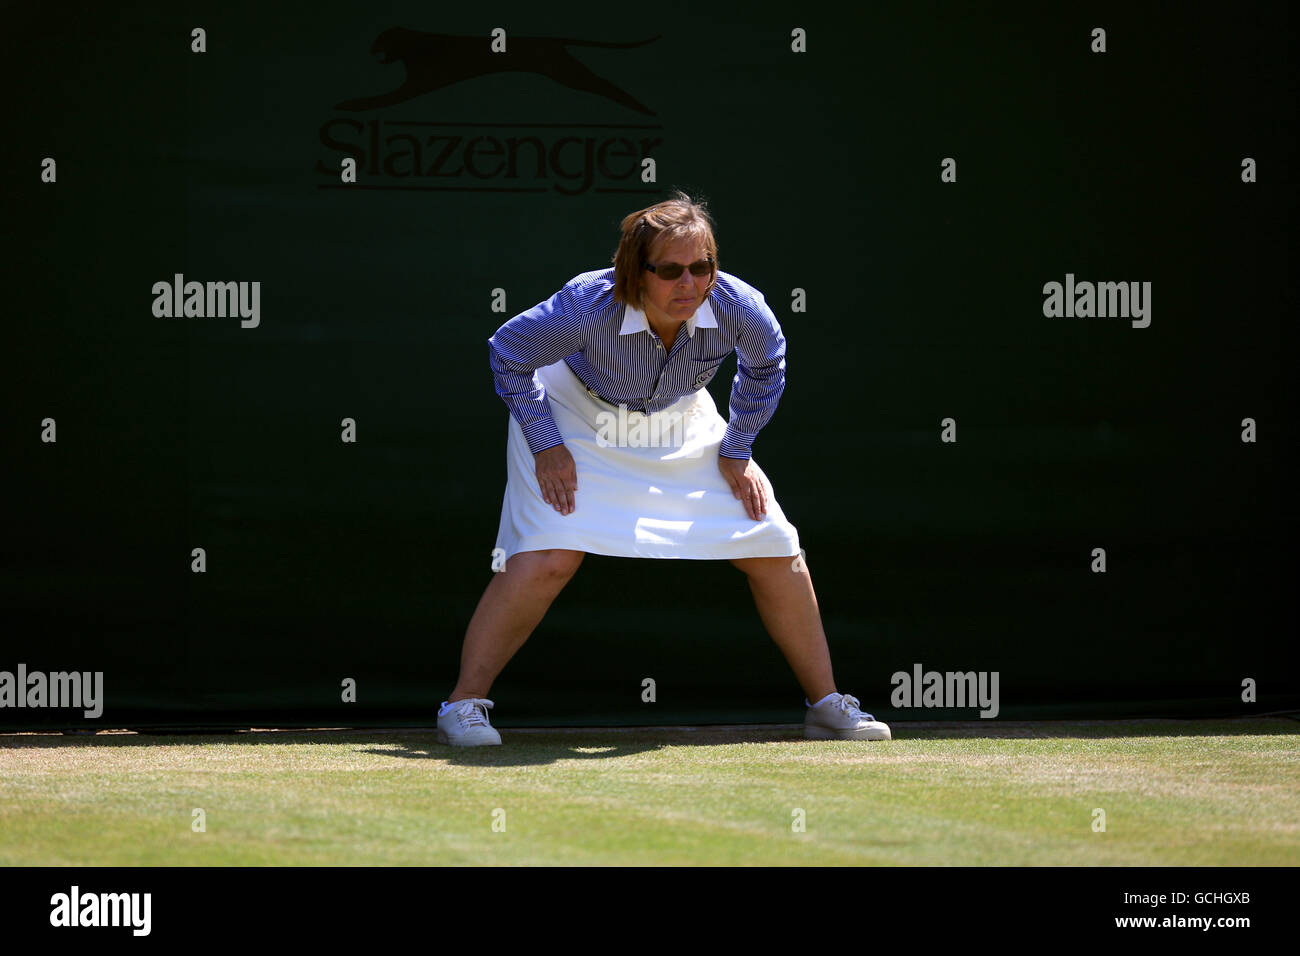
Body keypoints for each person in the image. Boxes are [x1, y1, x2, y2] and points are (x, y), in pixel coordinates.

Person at [436, 191, 891, 746]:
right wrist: (546, 443)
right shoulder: (588, 305)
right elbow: (508, 354)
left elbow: (766, 367)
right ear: (635, 270)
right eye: (671, 270)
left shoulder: (738, 305)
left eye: (702, 267)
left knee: (772, 543)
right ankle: (462, 706)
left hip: (682, 419)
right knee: (551, 555)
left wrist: (737, 447)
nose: (690, 285)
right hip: (575, 415)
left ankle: (825, 705)